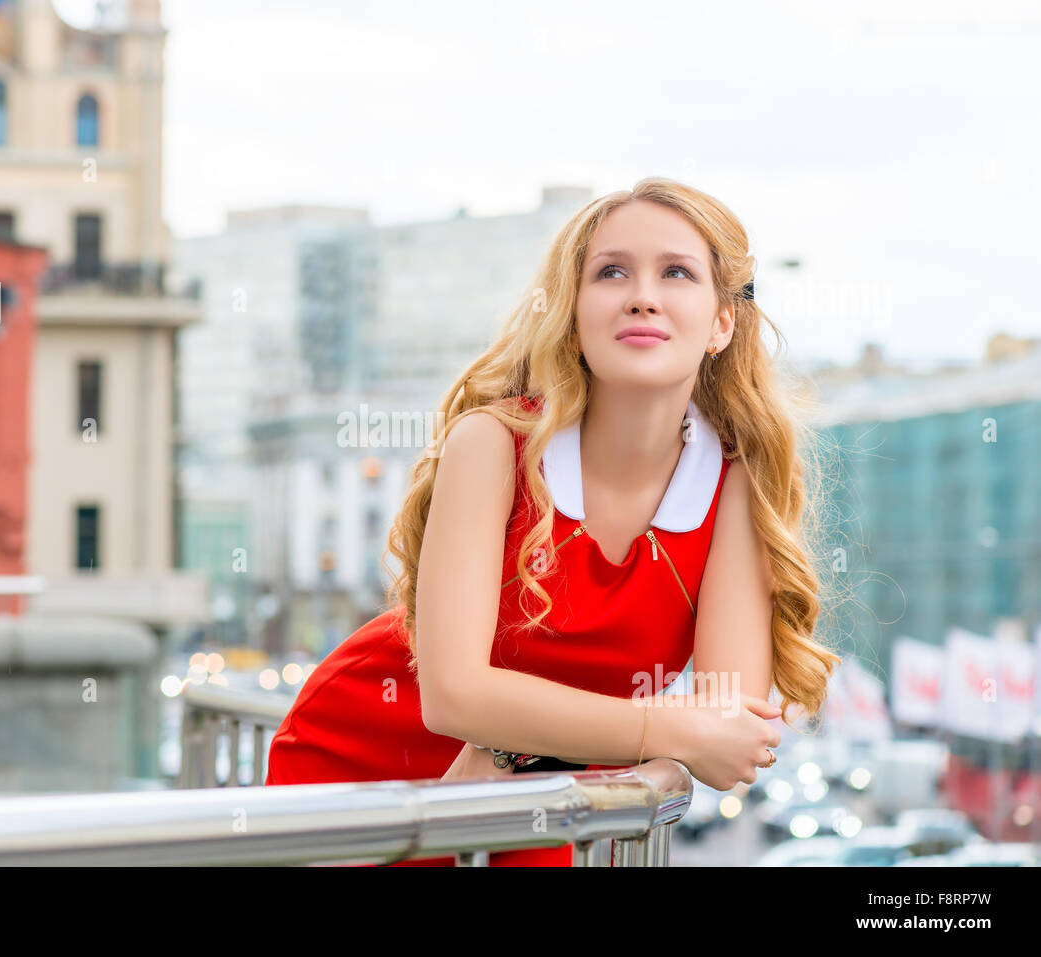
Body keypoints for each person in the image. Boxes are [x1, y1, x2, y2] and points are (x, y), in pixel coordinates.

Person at [264, 177, 841, 866]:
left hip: (532, 792)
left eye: (678, 272)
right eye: (611, 272)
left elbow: (726, 731)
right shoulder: (493, 443)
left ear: (722, 322)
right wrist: (656, 727)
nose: (642, 294)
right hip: (363, 764)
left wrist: (521, 738)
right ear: (572, 312)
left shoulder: (735, 479)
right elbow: (453, 697)